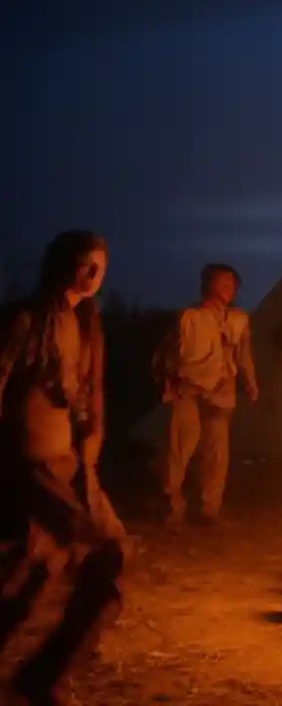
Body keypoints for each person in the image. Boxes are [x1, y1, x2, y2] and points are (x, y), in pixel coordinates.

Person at [0, 231, 125, 704]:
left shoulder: (87, 324)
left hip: (71, 463)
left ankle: (44, 673)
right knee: (96, 553)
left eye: (100, 268)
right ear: (62, 266)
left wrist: (91, 439)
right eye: (84, 265)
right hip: (32, 460)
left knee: (35, 569)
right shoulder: (28, 321)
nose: (92, 276)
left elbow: (87, 395)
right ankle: (44, 675)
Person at [155, 263, 258, 526]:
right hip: (188, 387)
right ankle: (172, 504)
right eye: (221, 282)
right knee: (180, 447)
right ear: (208, 285)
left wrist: (250, 381)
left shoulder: (238, 320)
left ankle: (209, 507)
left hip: (221, 389)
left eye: (231, 284)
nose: (227, 288)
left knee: (216, 452)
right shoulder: (190, 317)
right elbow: (168, 352)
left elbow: (243, 354)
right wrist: (168, 381)